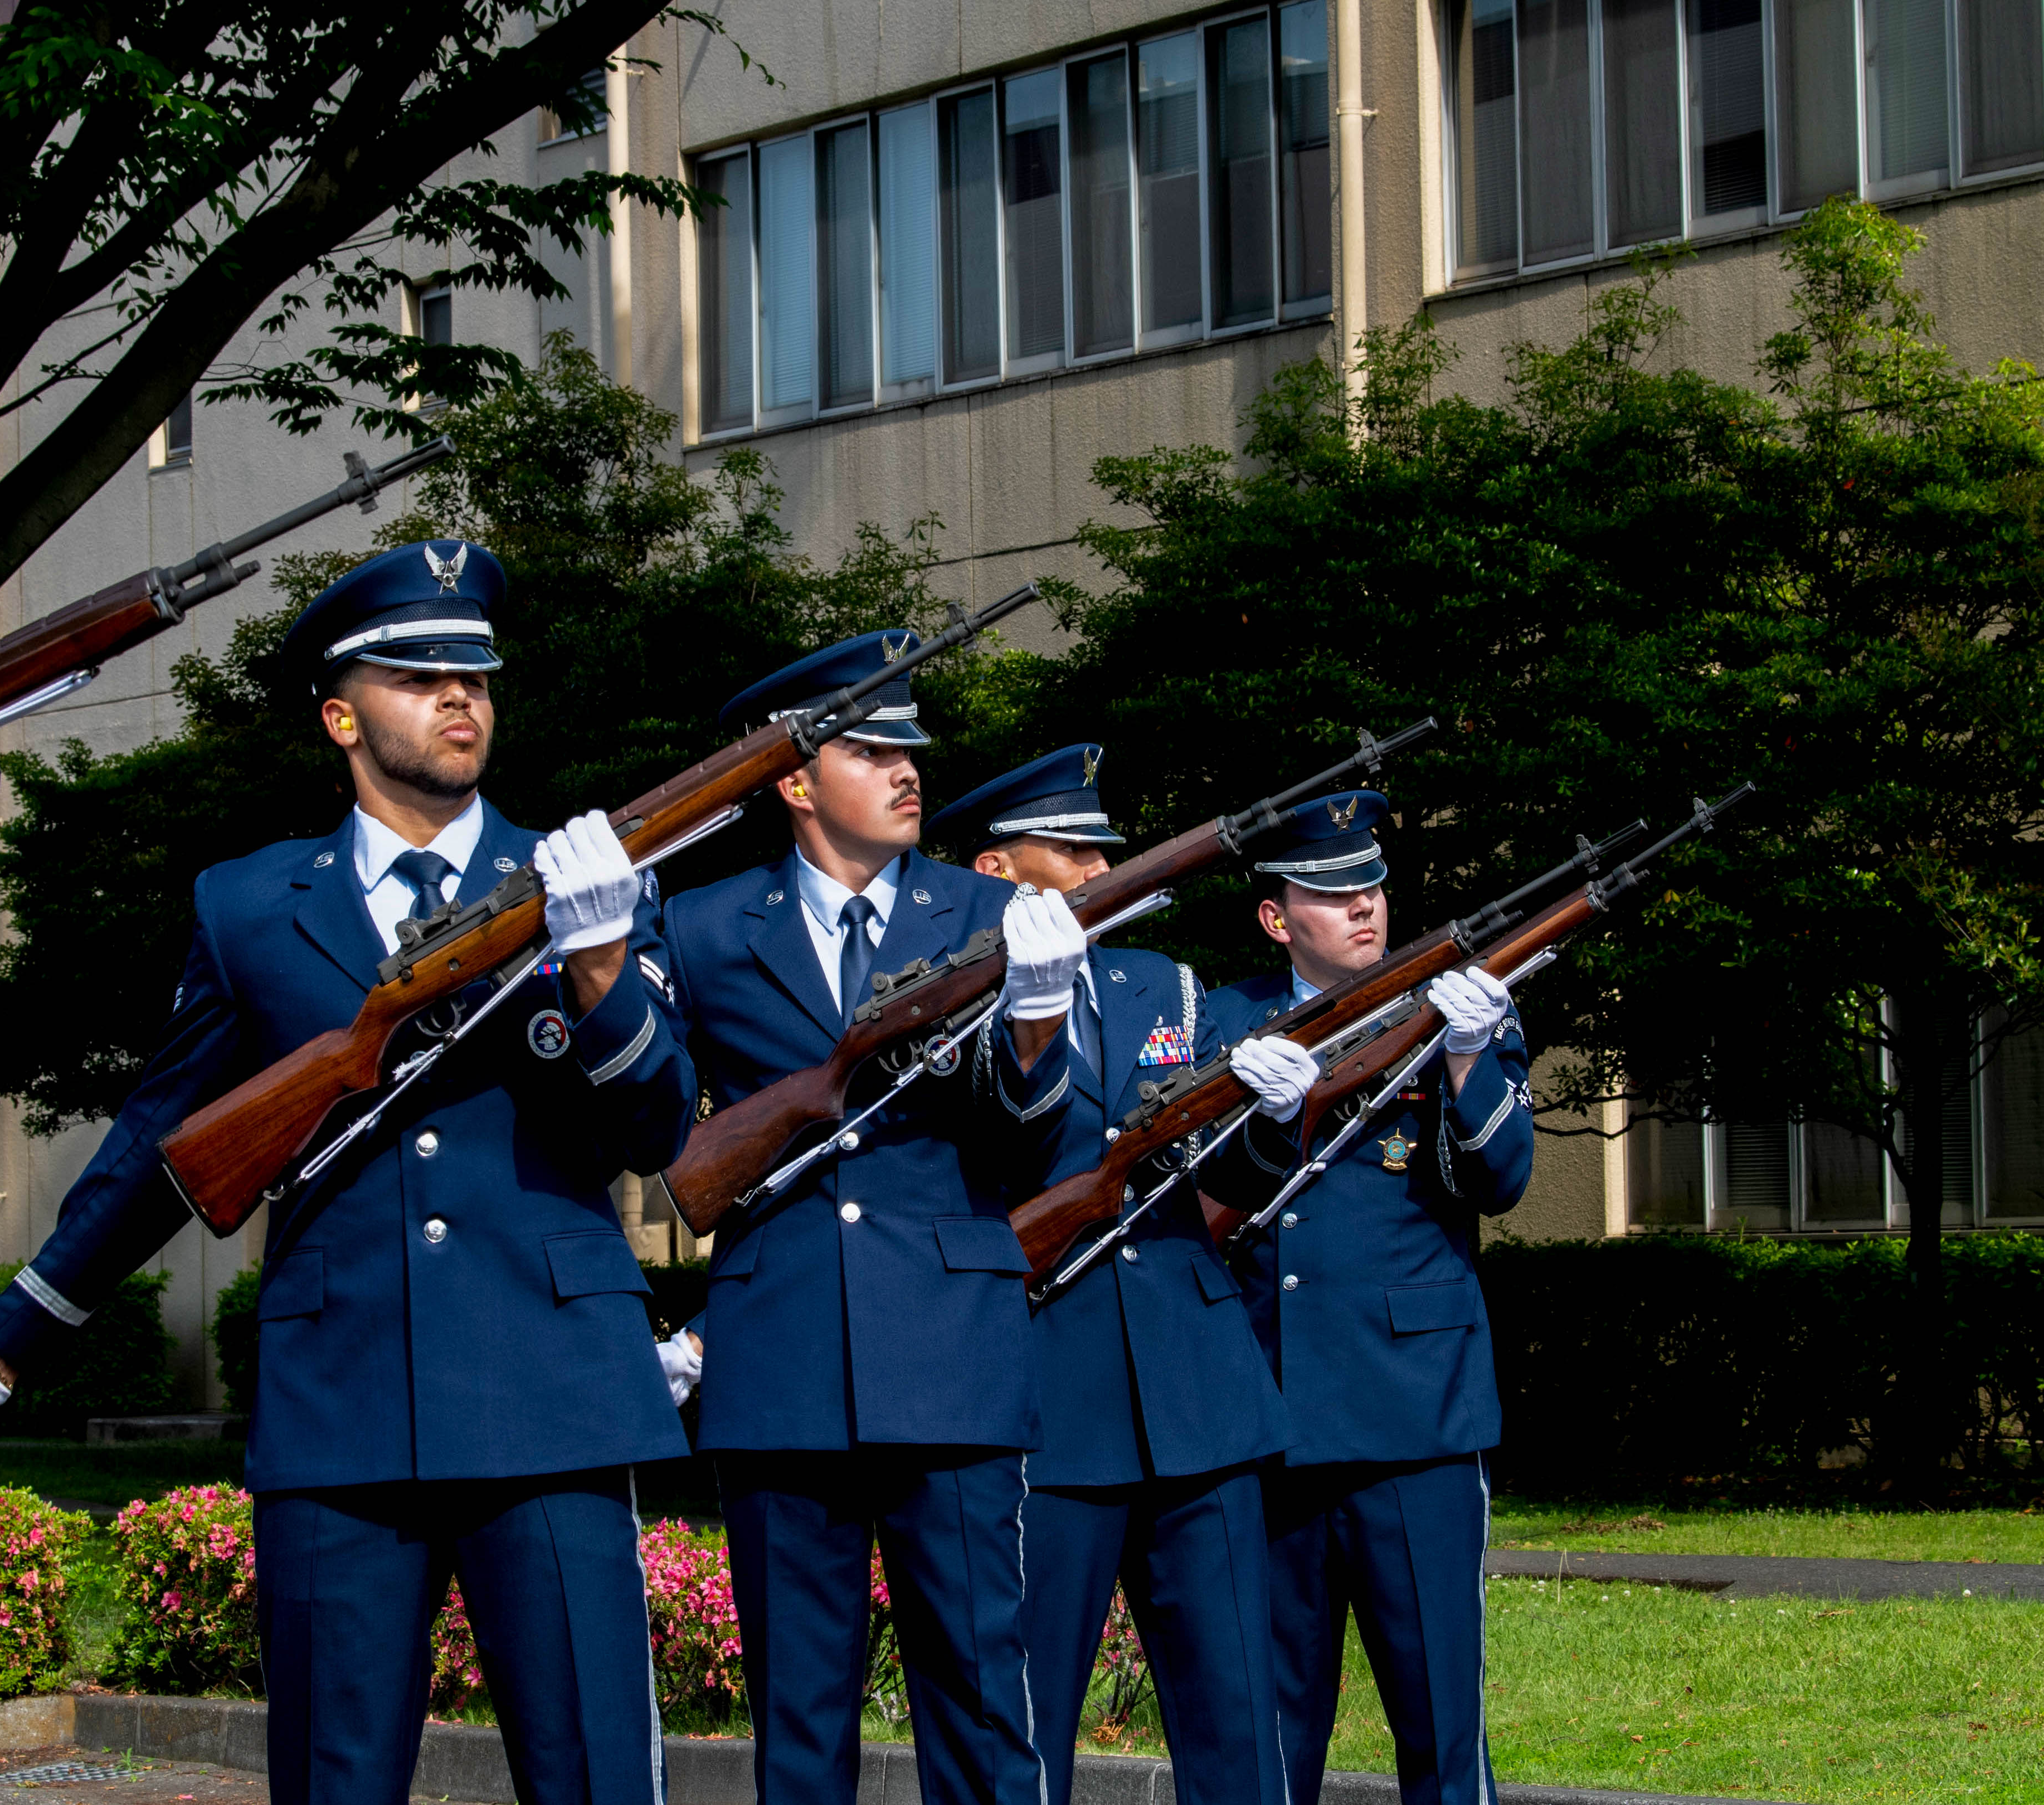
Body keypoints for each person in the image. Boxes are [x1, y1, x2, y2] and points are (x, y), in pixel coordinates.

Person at [0, 542, 695, 1805]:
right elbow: (160, 1146)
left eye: (476, 675)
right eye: (419, 676)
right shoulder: (250, 905)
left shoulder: (588, 881)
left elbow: (657, 1129)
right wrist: (8, 1341)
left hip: (554, 1392)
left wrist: (602, 967)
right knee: (331, 1779)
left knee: (594, 1778)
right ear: (342, 715)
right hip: (341, 1397)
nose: (460, 697)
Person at [654, 639, 1084, 1805]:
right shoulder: (698, 927)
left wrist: (1039, 1031)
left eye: (912, 751)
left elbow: (1035, 1146)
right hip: (781, 1353)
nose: (908, 772)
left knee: (986, 1704)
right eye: (871, 751)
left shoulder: (997, 913)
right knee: (798, 1720)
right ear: (795, 783)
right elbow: (648, 1125)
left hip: (951, 1356)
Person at [927, 748, 1286, 1805]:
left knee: (1234, 1721)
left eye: (1103, 852)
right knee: (1027, 1723)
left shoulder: (1162, 982)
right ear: (996, 871)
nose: (1099, 870)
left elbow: (1229, 1179)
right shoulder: (947, 1008)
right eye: (1071, 851)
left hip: (1195, 1394)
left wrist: (1271, 1118)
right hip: (1047, 1397)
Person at [1206, 791, 1531, 1805]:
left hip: (1411, 1415)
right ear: (1276, 917)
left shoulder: (1456, 1010)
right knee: (1270, 1725)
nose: (1363, 909)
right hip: (1267, 1414)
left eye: (1374, 888)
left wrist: (1472, 1057)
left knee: (1439, 1719)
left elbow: (1501, 1180)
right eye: (1331, 893)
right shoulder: (1222, 1023)